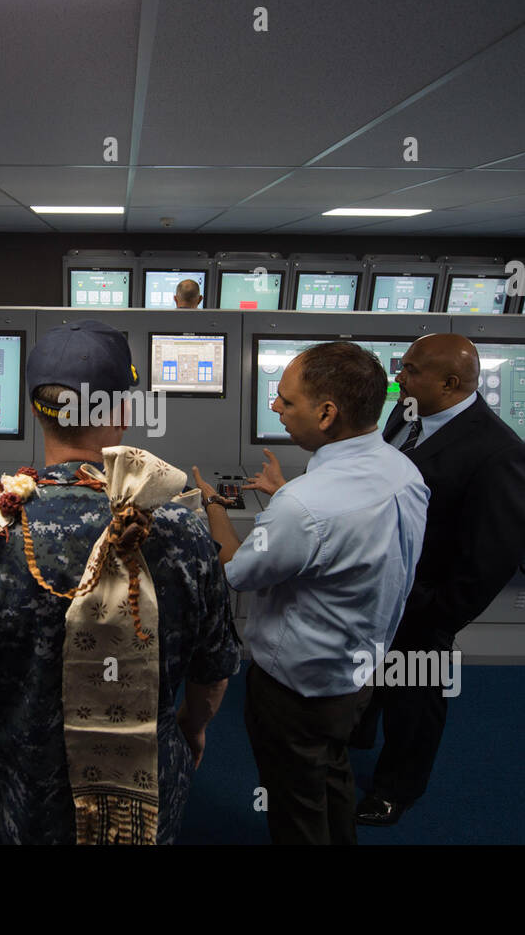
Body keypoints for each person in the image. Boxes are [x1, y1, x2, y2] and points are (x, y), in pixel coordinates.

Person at [0, 320, 241, 844]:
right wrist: (189, 732)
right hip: (143, 795)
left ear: (34, 409)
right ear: (121, 410)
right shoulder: (181, 528)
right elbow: (213, 674)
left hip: (23, 797)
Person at [197, 341, 428, 845]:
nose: (275, 408)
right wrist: (286, 497)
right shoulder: (404, 472)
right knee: (331, 772)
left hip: (295, 689)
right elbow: (342, 539)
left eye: (285, 400)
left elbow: (237, 570)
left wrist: (212, 504)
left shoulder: (305, 505)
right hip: (357, 675)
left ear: (327, 413)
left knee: (295, 804)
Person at [351, 333, 525, 827]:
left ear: (450, 383)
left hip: (423, 602)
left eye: (410, 370)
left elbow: (493, 556)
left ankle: (397, 789)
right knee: (373, 670)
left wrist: (437, 615)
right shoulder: (406, 413)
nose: (399, 378)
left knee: (416, 696)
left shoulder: (500, 453)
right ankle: (361, 730)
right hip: (375, 583)